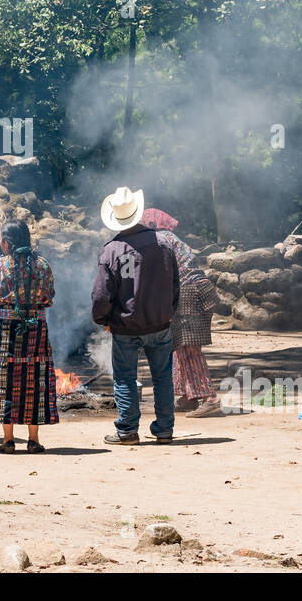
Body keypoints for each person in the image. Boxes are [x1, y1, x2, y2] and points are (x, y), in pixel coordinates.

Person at [91, 187, 180, 445]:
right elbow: (175, 284)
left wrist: (104, 320)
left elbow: (100, 295)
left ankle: (128, 431)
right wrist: (168, 312)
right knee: (163, 377)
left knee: (125, 378)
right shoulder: (164, 244)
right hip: (161, 323)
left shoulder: (112, 250)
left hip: (126, 328)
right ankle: (164, 429)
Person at [0, 219, 58, 454]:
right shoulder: (42, 265)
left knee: (3, 381)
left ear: (5, 243)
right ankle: (33, 439)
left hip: (3, 329)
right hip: (35, 329)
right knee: (34, 379)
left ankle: (8, 440)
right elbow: (49, 296)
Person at [140, 208, 223, 417]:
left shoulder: (161, 239)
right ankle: (189, 395)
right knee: (178, 346)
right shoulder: (169, 238)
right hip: (194, 290)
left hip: (188, 291)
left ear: (150, 224)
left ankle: (210, 398)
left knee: (188, 348)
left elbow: (161, 273)